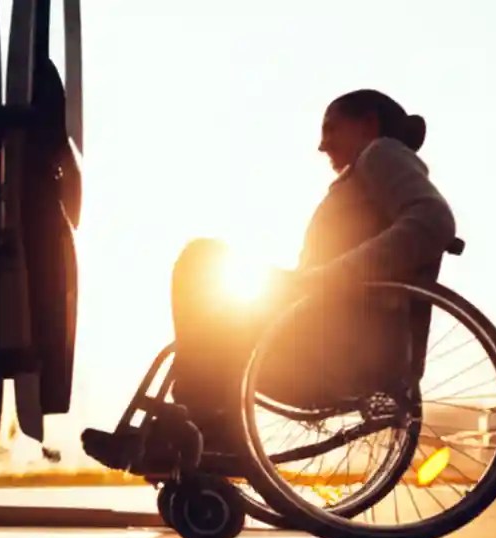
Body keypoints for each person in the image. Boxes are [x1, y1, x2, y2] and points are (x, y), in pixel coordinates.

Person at [167, 89, 458, 454]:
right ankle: (191, 424)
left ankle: (205, 425)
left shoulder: (382, 153)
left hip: (332, 351)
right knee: (209, 309)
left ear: (369, 124)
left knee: (203, 260)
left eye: (331, 129)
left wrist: (332, 275)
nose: (322, 145)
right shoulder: (364, 177)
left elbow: (434, 220)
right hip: (320, 333)